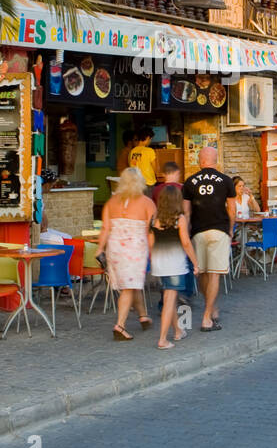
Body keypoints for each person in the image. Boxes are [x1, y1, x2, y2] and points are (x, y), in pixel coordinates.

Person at [98, 168, 157, 341]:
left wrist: (100, 248)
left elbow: (105, 228)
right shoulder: (147, 203)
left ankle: (143, 316)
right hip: (135, 249)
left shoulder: (111, 202)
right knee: (129, 286)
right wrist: (153, 254)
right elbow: (151, 232)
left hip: (115, 248)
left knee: (131, 284)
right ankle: (120, 325)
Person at [182, 146, 236, 332]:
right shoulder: (226, 180)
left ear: (200, 160)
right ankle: (207, 317)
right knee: (214, 273)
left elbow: (186, 213)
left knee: (202, 272)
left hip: (198, 231)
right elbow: (232, 209)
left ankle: (211, 308)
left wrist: (186, 233)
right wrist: (230, 229)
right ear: (216, 159)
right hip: (219, 230)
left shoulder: (189, 182)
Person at [148, 187, 199, 349]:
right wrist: (195, 263)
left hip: (159, 264)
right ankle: (162, 339)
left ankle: (178, 331)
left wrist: (153, 260)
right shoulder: (180, 219)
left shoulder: (154, 219)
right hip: (175, 264)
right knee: (170, 301)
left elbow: (150, 243)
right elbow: (185, 243)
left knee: (170, 298)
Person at [128, 127, 158, 193]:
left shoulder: (132, 151)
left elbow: (131, 165)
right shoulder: (150, 151)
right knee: (147, 202)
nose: (150, 141)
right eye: (150, 139)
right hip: (148, 182)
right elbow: (154, 167)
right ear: (147, 138)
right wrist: (157, 175)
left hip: (136, 183)